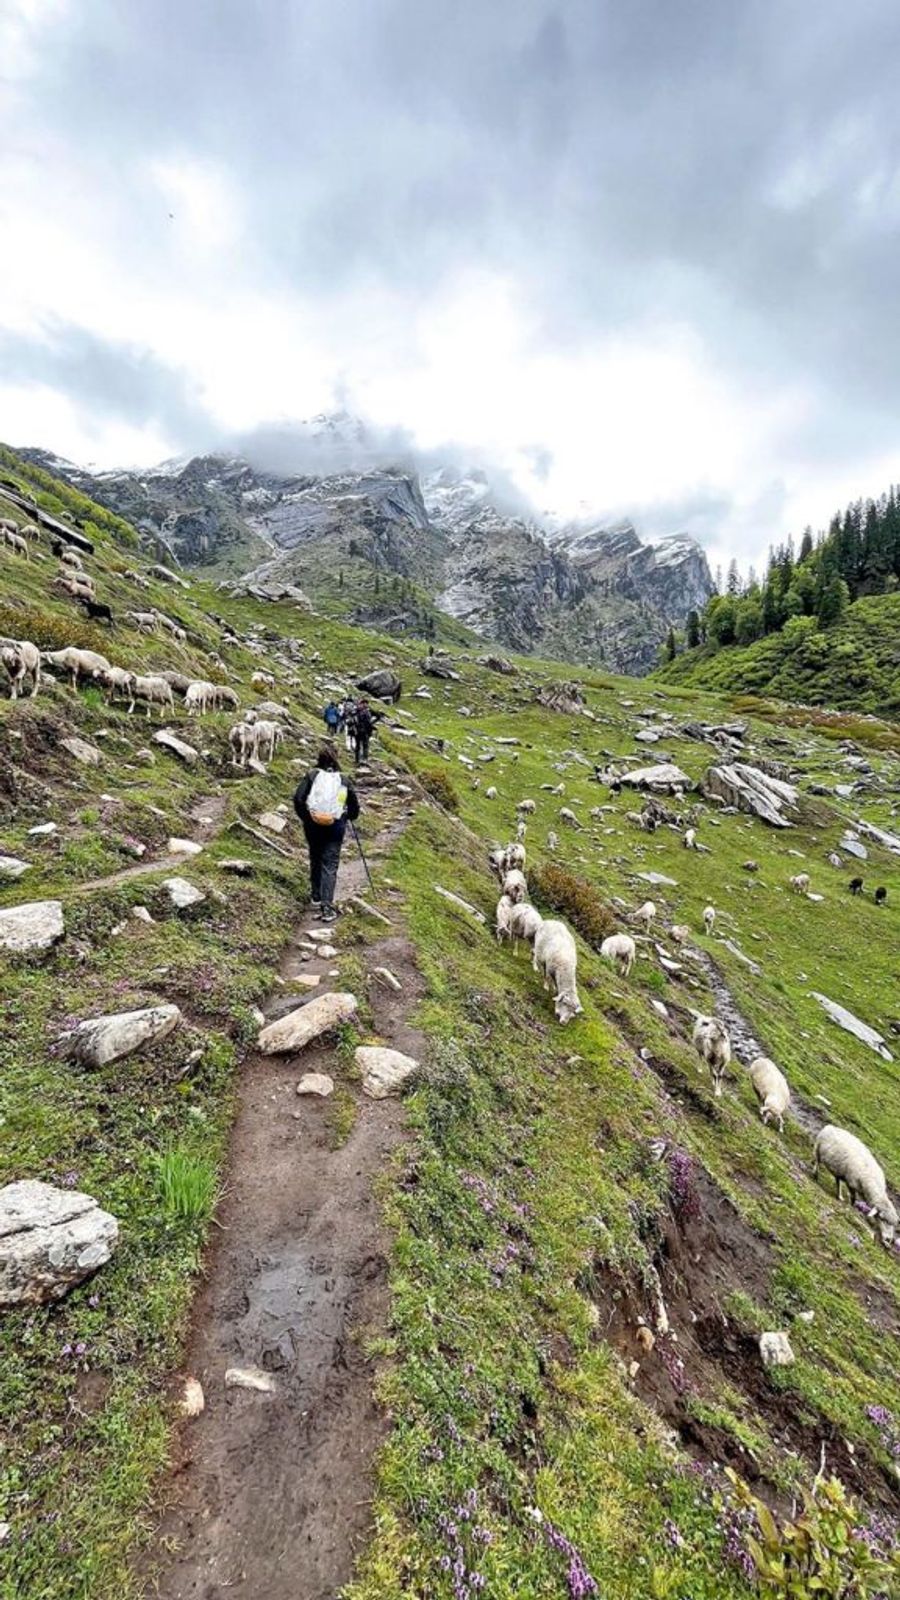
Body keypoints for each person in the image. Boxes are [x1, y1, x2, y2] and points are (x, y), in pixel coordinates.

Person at [293, 745, 360, 922]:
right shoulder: (343, 780)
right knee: (330, 863)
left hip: (313, 824)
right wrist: (347, 816)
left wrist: (306, 817)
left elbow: (298, 798)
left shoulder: (312, 775)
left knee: (315, 856)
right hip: (335, 826)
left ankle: (316, 896)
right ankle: (327, 907)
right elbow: (353, 806)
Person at [354, 697, 374, 765]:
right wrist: (370, 731)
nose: (366, 705)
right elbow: (369, 723)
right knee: (365, 745)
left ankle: (357, 760)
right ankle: (364, 759)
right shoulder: (366, 712)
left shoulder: (357, 711)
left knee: (358, 745)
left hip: (357, 730)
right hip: (364, 731)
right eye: (365, 703)